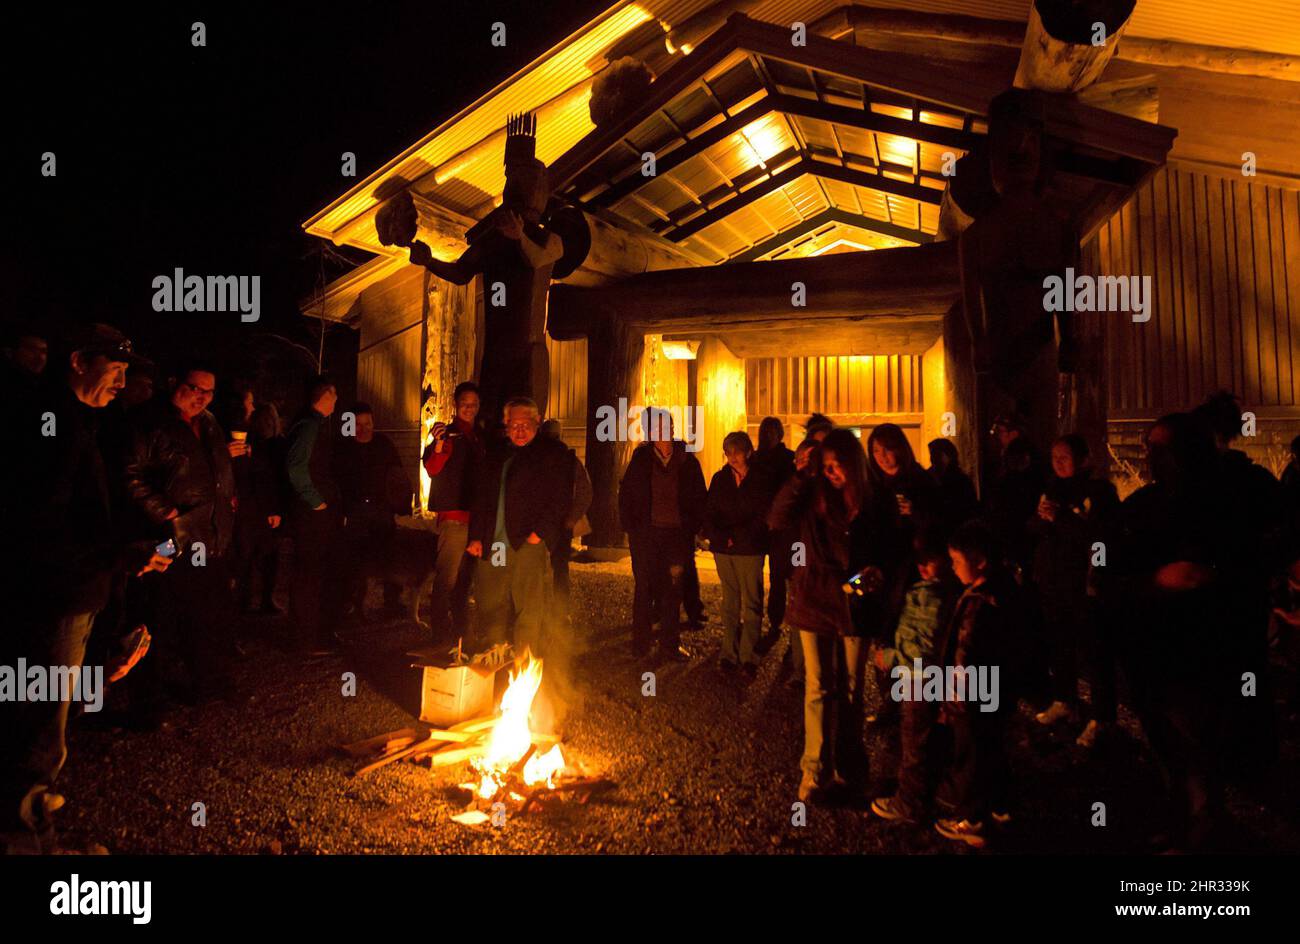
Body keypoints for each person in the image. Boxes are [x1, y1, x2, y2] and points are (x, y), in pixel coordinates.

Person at [1, 324, 171, 853]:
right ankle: (25, 838)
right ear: (78, 360)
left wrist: (127, 552)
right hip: (56, 595)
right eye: (115, 370)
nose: (122, 383)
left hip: (81, 587)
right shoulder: (47, 423)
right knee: (39, 721)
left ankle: (31, 813)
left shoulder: (80, 421)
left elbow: (85, 514)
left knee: (55, 709)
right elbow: (40, 525)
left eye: (126, 373)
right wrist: (119, 555)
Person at [769, 428, 884, 802]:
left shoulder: (869, 500)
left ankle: (851, 767)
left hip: (854, 603)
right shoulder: (811, 496)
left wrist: (874, 574)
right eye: (827, 466)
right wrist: (801, 475)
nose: (833, 473)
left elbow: (884, 547)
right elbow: (777, 517)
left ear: (853, 463)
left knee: (851, 689)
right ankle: (814, 770)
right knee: (818, 687)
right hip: (814, 597)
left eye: (839, 465)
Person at [122, 360, 240, 704]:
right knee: (157, 615)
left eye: (209, 391)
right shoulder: (148, 421)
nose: (201, 397)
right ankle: (148, 699)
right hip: (168, 538)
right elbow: (129, 477)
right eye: (194, 388)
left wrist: (228, 502)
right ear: (175, 382)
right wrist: (168, 512)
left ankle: (208, 682)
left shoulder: (211, 423)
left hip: (208, 536)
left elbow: (218, 469)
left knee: (206, 613)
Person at [1028, 434, 1119, 743]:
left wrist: (1062, 518)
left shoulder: (1100, 492)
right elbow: (1035, 530)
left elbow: (1099, 538)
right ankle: (1065, 701)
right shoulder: (1051, 488)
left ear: (1083, 460)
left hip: (1083, 584)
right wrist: (1042, 519)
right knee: (1059, 644)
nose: (1058, 462)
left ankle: (1102, 717)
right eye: (1054, 457)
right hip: (1052, 582)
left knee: (1094, 653)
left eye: (1065, 457)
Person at [932, 521, 1017, 848]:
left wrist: (951, 701)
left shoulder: (981, 602)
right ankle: (1001, 806)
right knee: (992, 749)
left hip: (973, 696)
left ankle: (972, 819)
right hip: (995, 692)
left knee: (969, 757)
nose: (952, 568)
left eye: (956, 561)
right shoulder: (1003, 589)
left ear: (980, 560)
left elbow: (964, 657)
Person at [870, 529, 961, 824]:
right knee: (926, 738)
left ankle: (909, 802)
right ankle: (937, 790)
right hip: (925, 677)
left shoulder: (932, 596)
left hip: (919, 679)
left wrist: (892, 656)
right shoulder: (938, 589)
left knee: (915, 742)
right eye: (920, 560)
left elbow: (924, 644)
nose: (922, 566)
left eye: (930, 561)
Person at [467, 397, 570, 655]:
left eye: (526, 424)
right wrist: (477, 536)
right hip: (495, 544)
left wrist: (540, 534)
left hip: (526, 542)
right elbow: (482, 498)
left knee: (528, 605)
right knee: (492, 601)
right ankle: (493, 655)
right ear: (506, 423)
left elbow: (559, 498)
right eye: (514, 424)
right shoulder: (496, 454)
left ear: (537, 422)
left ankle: (524, 660)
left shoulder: (550, 454)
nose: (520, 430)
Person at [618, 408, 707, 662]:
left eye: (664, 427)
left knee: (673, 591)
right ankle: (640, 645)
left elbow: (699, 496)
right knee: (644, 590)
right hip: (647, 537)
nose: (660, 433)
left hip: (676, 537)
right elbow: (626, 498)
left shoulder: (687, 459)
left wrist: (694, 528)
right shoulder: (641, 459)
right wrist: (632, 529)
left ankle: (669, 645)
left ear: (671, 429)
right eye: (655, 428)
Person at [285, 376, 345, 655]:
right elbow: (296, 467)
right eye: (334, 395)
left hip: (316, 513)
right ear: (324, 396)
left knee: (317, 572)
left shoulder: (315, 424)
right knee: (309, 574)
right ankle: (305, 639)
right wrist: (315, 501)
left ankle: (316, 633)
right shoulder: (309, 426)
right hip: (311, 516)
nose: (337, 401)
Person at [335, 402, 412, 620]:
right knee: (355, 559)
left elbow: (398, 475)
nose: (363, 428)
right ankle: (352, 605)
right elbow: (339, 480)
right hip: (356, 511)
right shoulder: (345, 449)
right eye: (358, 424)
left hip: (381, 510)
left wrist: (402, 506)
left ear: (373, 423)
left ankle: (392, 603)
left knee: (388, 556)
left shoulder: (384, 445)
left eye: (367, 423)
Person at [422, 381, 486, 640]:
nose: (468, 408)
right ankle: (439, 631)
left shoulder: (479, 437)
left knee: (467, 578)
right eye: (464, 404)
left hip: (477, 518)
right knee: (447, 577)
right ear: (455, 405)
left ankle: (461, 630)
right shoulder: (447, 435)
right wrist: (438, 444)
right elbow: (433, 467)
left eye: (473, 404)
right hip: (454, 518)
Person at [705, 431, 770, 676]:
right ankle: (728, 653)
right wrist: (720, 537)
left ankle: (748, 654)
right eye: (728, 452)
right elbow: (709, 512)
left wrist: (740, 536)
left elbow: (762, 514)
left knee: (752, 602)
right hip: (725, 550)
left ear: (748, 452)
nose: (732, 457)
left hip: (750, 550)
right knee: (730, 602)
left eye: (737, 452)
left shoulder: (760, 479)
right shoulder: (720, 479)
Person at [225, 386, 283, 617]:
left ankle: (256, 601)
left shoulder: (258, 438)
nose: (252, 407)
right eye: (249, 402)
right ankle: (239, 606)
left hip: (254, 507)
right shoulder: (232, 435)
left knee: (262, 555)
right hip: (245, 507)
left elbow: (265, 475)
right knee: (244, 558)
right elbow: (259, 475)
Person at [540, 419, 592, 624]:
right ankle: (560, 612)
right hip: (562, 524)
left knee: (539, 568)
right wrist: (572, 517)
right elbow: (585, 491)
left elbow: (584, 491)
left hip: (546, 524)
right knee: (560, 569)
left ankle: (544, 610)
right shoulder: (571, 460)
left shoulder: (537, 458)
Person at [753, 417, 796, 652]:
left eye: (772, 431)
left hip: (781, 530)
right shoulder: (756, 459)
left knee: (780, 577)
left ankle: (778, 621)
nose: (768, 435)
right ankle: (759, 619)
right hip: (759, 528)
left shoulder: (789, 459)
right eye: (765, 431)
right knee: (756, 576)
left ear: (779, 433)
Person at [927, 438, 978, 531]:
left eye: (936, 454)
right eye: (931, 455)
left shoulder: (960, 481)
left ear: (948, 455)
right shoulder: (928, 477)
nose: (932, 459)